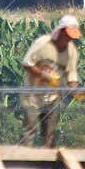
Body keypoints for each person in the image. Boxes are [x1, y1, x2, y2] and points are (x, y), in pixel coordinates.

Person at [19, 14, 81, 145]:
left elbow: (71, 75)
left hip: (53, 97)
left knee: (50, 135)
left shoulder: (72, 51)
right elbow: (27, 63)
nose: (69, 39)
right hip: (33, 96)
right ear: (61, 31)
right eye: (67, 35)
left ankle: (47, 163)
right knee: (28, 132)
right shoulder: (43, 43)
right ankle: (22, 160)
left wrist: (75, 90)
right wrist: (45, 76)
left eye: (72, 37)